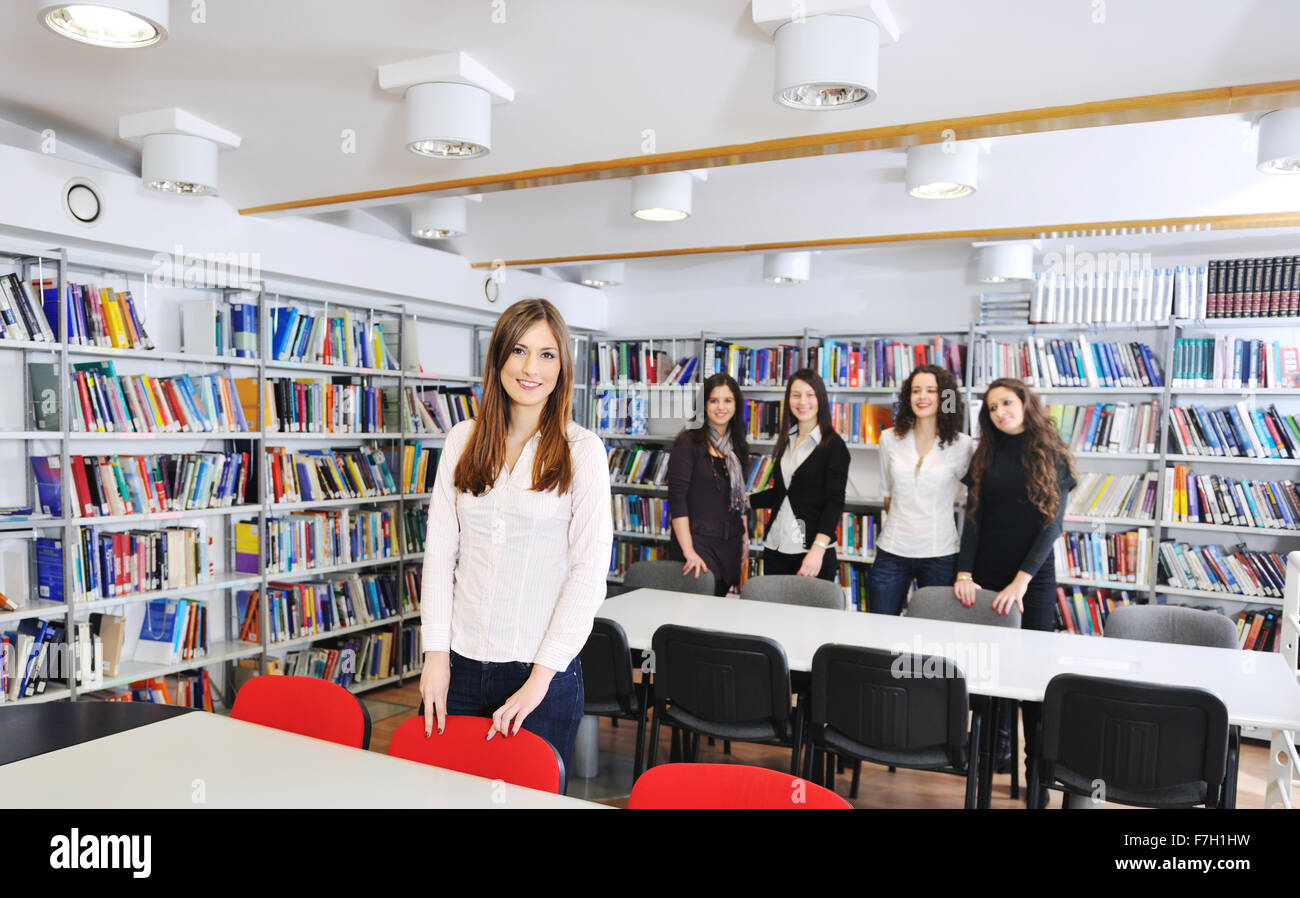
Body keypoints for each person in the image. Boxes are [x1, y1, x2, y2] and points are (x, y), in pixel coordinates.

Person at [418, 298, 612, 788]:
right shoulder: (462, 439)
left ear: (562, 365)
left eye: (547, 355)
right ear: (499, 358)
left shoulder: (582, 451)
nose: (531, 368)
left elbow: (589, 574)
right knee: (445, 797)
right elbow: (439, 555)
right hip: (457, 666)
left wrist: (540, 681)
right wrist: (435, 658)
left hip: (538, 672)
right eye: (519, 351)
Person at [954, 377, 1076, 791]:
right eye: (991, 408)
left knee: (1031, 678)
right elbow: (973, 519)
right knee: (991, 673)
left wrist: (1021, 582)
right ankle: (994, 763)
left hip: (1032, 580)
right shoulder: (984, 455)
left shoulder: (1052, 453)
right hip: (986, 575)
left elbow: (1051, 526)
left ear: (1025, 404)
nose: (999, 412)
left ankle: (1035, 780)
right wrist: (964, 572)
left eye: (1006, 403)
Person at [869, 364, 974, 614]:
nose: (922, 397)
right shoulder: (889, 439)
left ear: (945, 397)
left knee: (934, 632)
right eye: (916, 391)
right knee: (878, 627)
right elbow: (888, 495)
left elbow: (967, 502)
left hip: (940, 553)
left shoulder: (963, 445)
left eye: (931, 390)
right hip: (892, 551)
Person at [749, 369, 849, 580]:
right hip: (775, 547)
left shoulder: (834, 446)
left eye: (809, 394)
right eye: (796, 395)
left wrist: (818, 550)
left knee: (811, 613)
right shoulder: (786, 439)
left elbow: (834, 502)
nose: (802, 401)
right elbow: (783, 493)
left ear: (820, 398)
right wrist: (744, 501)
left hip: (810, 554)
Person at [667, 372, 750, 596]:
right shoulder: (688, 443)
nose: (720, 407)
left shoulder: (738, 446)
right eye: (713, 400)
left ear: (736, 405)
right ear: (703, 404)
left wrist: (745, 540)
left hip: (730, 545)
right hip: (697, 545)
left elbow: (740, 499)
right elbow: (677, 501)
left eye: (727, 400)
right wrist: (689, 551)